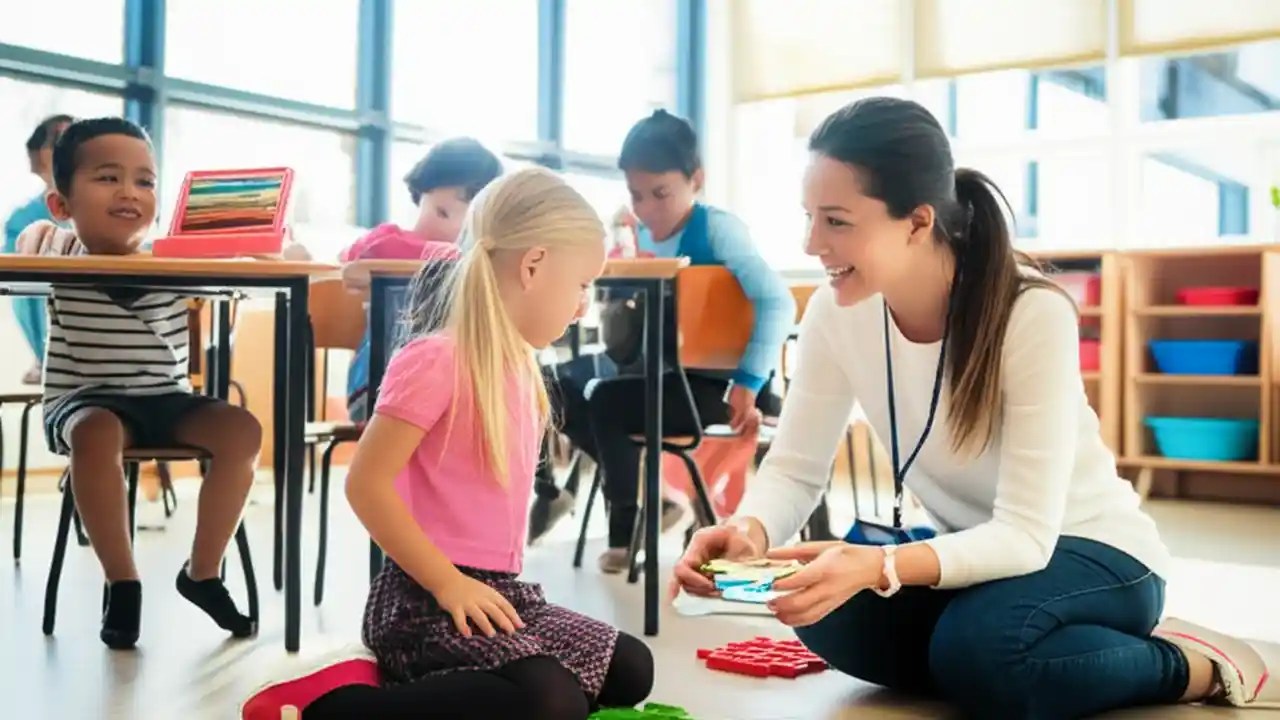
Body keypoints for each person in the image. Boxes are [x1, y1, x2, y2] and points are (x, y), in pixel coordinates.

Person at [670, 97, 1279, 717]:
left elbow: (1025, 539)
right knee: (828, 611)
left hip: (1095, 553)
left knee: (981, 650)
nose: (811, 243)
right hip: (984, 561)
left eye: (836, 221)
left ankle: (1192, 662)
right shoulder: (836, 310)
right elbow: (796, 469)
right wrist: (748, 531)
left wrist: (878, 565)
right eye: (809, 218)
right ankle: (1019, 655)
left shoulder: (1031, 311)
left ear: (917, 221)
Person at [239, 168, 654, 720]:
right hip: (421, 601)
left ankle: (447, 689)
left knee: (631, 667)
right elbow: (365, 483)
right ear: (533, 266)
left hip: (498, 595)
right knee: (553, 700)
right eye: (581, 285)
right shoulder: (436, 358)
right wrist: (448, 583)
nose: (584, 305)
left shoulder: (520, 366)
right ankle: (338, 705)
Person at [527, 110, 793, 576]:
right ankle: (654, 499)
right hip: (648, 370)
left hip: (711, 387)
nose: (648, 208)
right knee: (548, 382)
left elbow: (777, 302)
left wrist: (750, 380)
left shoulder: (716, 229)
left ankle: (627, 529)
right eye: (636, 195)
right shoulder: (635, 236)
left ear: (697, 180)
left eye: (661, 194)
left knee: (608, 404)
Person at [28, 117, 261, 650]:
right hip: (85, 401)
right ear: (62, 204)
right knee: (95, 433)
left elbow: (265, 263)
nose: (130, 192)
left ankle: (202, 574)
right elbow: (28, 238)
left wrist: (267, 247)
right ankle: (123, 580)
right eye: (108, 178)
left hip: (165, 397)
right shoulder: (59, 249)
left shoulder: (174, 260)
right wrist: (36, 232)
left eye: (145, 181)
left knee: (242, 431)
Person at [337, 138, 503, 422]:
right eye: (441, 212)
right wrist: (456, 254)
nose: (450, 229)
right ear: (420, 194)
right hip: (376, 386)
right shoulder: (388, 241)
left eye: (467, 228)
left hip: (446, 391)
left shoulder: (472, 263)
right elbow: (354, 258)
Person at [4, 114, 72, 384]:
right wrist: (43, 355)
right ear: (39, 157)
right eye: (59, 143)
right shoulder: (22, 221)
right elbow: (24, 294)